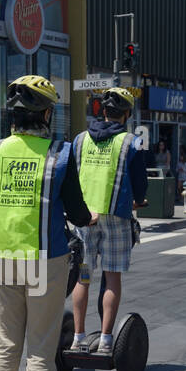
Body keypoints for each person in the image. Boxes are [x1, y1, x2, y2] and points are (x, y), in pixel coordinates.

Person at [0, 75, 97, 371]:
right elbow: (77, 212)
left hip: (0, 257)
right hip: (44, 259)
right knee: (41, 346)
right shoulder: (60, 153)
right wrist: (89, 218)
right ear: (46, 113)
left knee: (4, 343)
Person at [67, 87, 147, 356]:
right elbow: (140, 184)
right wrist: (140, 199)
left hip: (85, 219)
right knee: (112, 278)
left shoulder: (79, 140)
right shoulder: (131, 142)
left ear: (101, 111)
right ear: (126, 114)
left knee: (84, 276)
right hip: (116, 218)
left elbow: (72, 176)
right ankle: (106, 340)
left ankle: (77, 338)